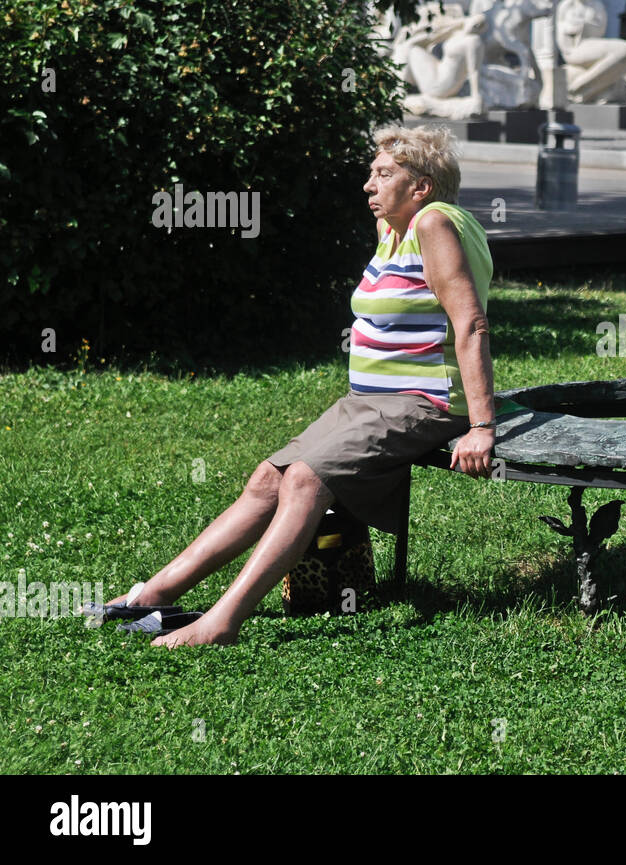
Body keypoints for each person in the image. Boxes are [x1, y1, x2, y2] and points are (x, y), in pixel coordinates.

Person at [116, 125, 496, 647]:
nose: (369, 184)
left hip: (423, 402)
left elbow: (471, 324)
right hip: (368, 401)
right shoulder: (395, 228)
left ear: (422, 186)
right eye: (371, 172)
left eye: (384, 174)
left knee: (305, 479)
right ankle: (156, 594)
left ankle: (224, 620)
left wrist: (480, 425)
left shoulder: (433, 223)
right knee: (267, 479)